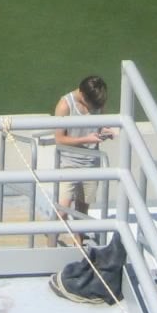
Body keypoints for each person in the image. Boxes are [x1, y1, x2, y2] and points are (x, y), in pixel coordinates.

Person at [54, 75, 116, 224]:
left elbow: (100, 125)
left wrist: (105, 131)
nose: (94, 109)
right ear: (82, 95)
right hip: (68, 164)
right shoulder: (65, 105)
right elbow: (59, 139)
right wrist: (86, 139)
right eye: (92, 105)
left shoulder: (96, 101)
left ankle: (79, 238)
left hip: (91, 163)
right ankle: (52, 236)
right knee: (62, 211)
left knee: (82, 210)